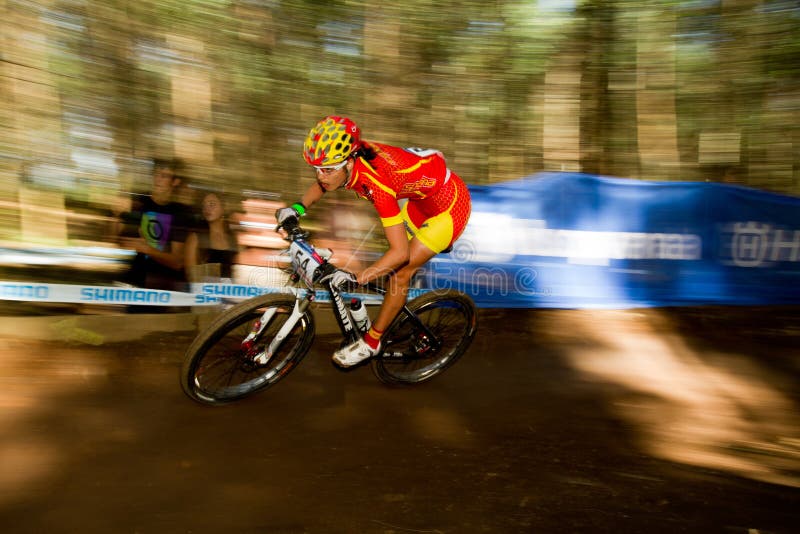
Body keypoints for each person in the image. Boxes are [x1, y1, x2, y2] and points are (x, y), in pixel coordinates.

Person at [276, 115, 472, 368]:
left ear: (348, 162)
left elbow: (400, 253)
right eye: (316, 169)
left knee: (400, 272)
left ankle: (372, 342)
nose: (321, 176)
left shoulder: (378, 185)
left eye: (327, 169)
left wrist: (357, 279)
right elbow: (323, 186)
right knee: (386, 262)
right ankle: (392, 310)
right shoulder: (351, 159)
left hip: (449, 207)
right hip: (421, 201)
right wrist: (298, 208)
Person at [117, 158, 192, 292]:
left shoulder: (180, 213)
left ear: (175, 181)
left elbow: (177, 262)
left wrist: (148, 249)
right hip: (135, 281)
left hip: (163, 285)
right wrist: (117, 217)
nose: (157, 179)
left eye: (164, 176)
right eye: (155, 174)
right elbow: (122, 241)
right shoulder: (140, 202)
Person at [184, 190, 239, 282]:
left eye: (212, 204)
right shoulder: (195, 238)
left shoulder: (232, 239)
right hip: (203, 292)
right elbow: (191, 275)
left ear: (223, 208)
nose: (207, 209)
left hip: (226, 293)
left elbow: (235, 272)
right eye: (204, 206)